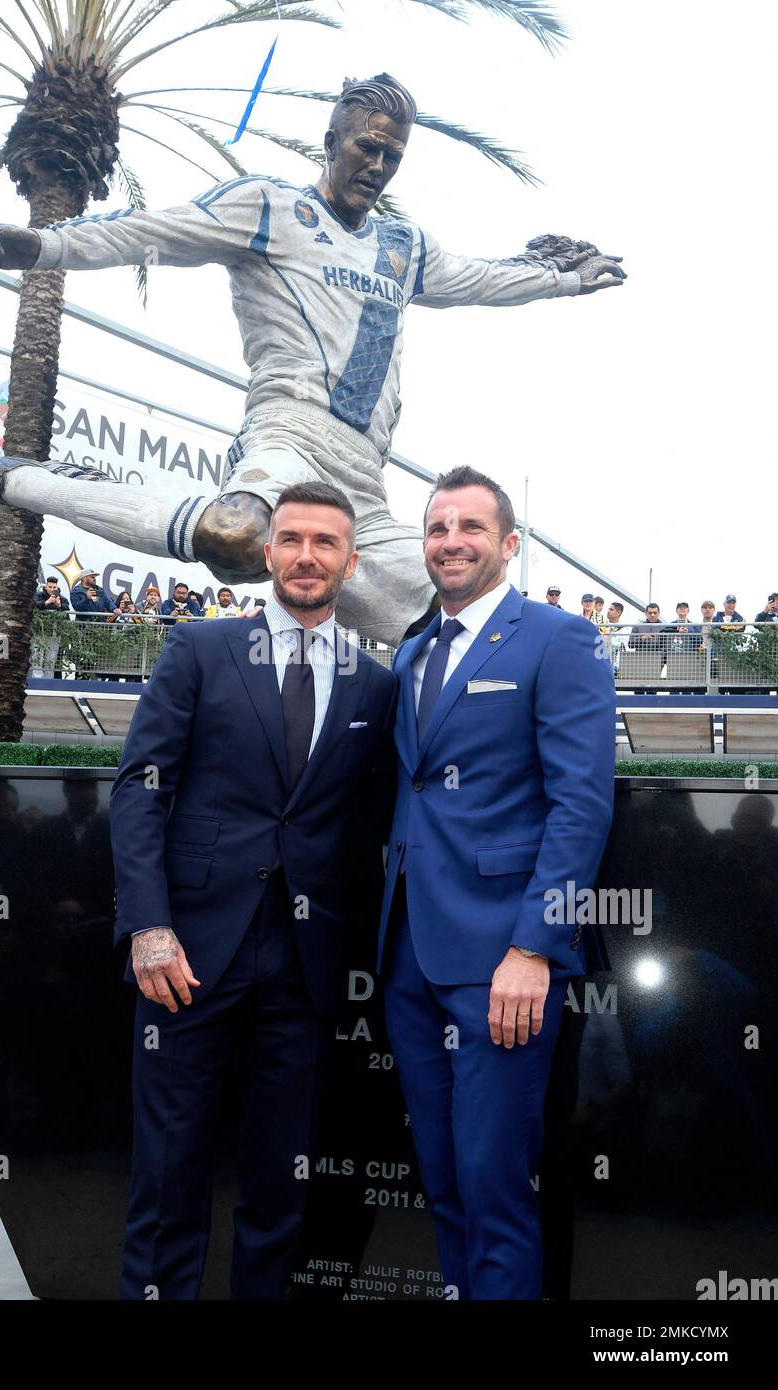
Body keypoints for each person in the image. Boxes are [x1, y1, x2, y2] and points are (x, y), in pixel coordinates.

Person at [0, 73, 625, 648]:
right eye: (365, 146)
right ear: (331, 139)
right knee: (234, 537)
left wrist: (562, 277)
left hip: (363, 482)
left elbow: (484, 279)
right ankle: (29, 481)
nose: (376, 164)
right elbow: (157, 229)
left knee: (461, 617)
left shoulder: (406, 247)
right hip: (286, 434)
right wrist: (46, 246)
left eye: (391, 155)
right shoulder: (269, 208)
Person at [110, 481, 397, 1300]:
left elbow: (370, 825)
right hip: (187, 953)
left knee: (282, 1179)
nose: (307, 557)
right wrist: (148, 928)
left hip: (306, 967)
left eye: (325, 543)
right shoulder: (199, 649)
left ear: (350, 560)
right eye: (292, 540)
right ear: (268, 551)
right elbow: (140, 789)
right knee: (167, 1170)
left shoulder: (373, 686)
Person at [377, 464, 615, 1300]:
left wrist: (533, 946)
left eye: (470, 528)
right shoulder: (411, 650)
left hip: (501, 959)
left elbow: (580, 805)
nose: (450, 542)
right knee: (442, 1184)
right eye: (438, 527)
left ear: (507, 545)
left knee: (493, 1187)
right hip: (407, 955)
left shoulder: (559, 638)